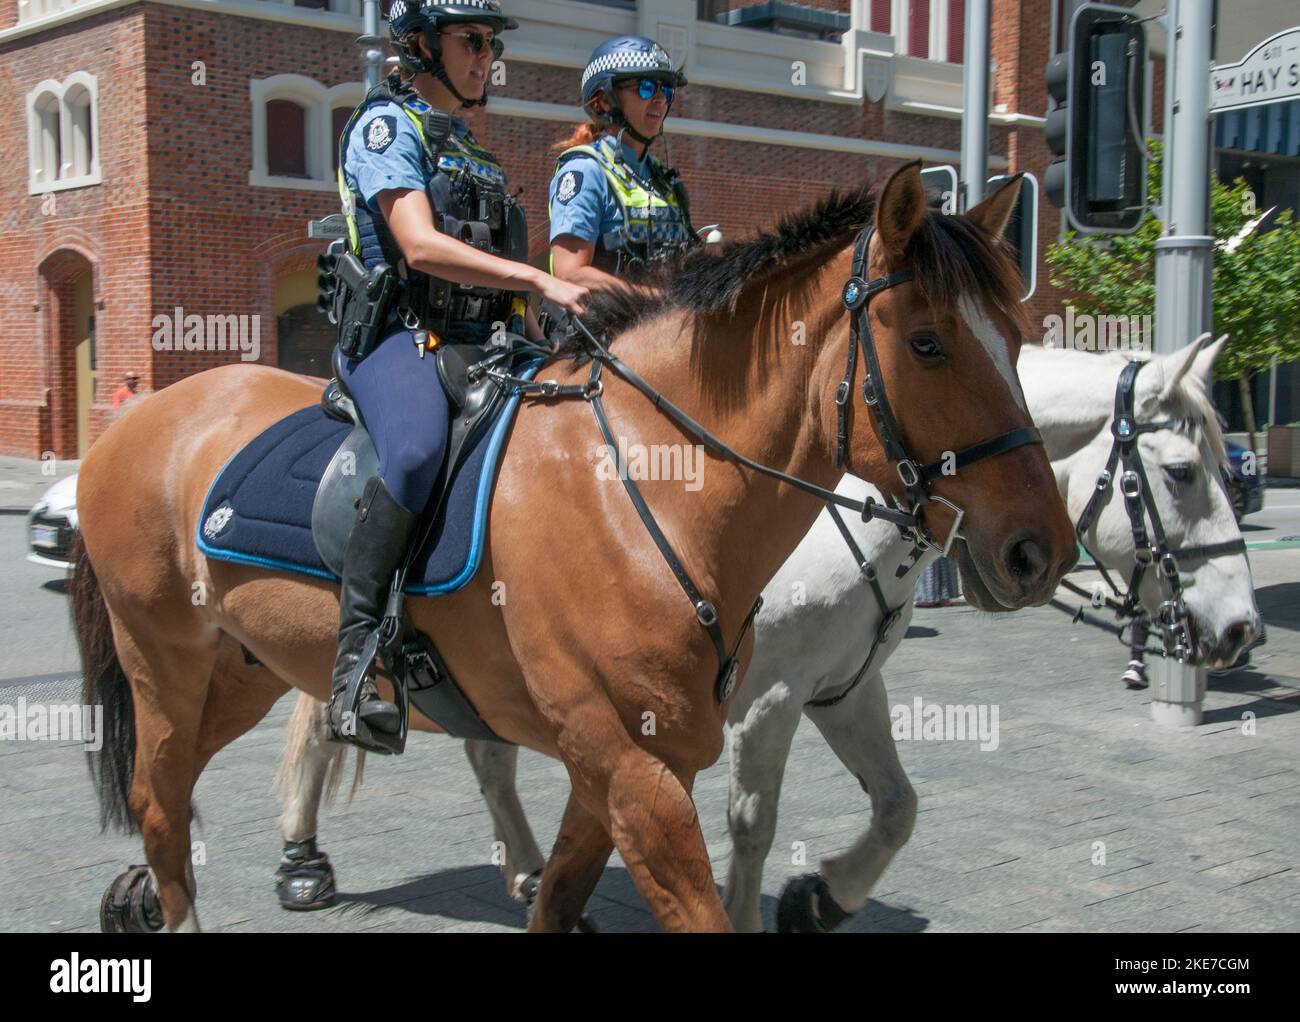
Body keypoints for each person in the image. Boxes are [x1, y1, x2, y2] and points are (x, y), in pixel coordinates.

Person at [327, 0, 587, 754]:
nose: (486, 56)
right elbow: (418, 244)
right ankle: (355, 663)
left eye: (491, 43)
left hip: (487, 340)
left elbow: (503, 287)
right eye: (471, 41)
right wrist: (539, 280)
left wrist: (558, 335)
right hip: (397, 340)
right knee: (412, 453)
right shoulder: (385, 127)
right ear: (420, 45)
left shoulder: (475, 152)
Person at [548, 36, 697, 289]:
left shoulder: (663, 178)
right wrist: (655, 301)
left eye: (667, 90)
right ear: (605, 100)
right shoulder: (586, 170)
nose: (660, 99)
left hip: (664, 325)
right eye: (646, 87)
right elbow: (569, 273)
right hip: (599, 327)